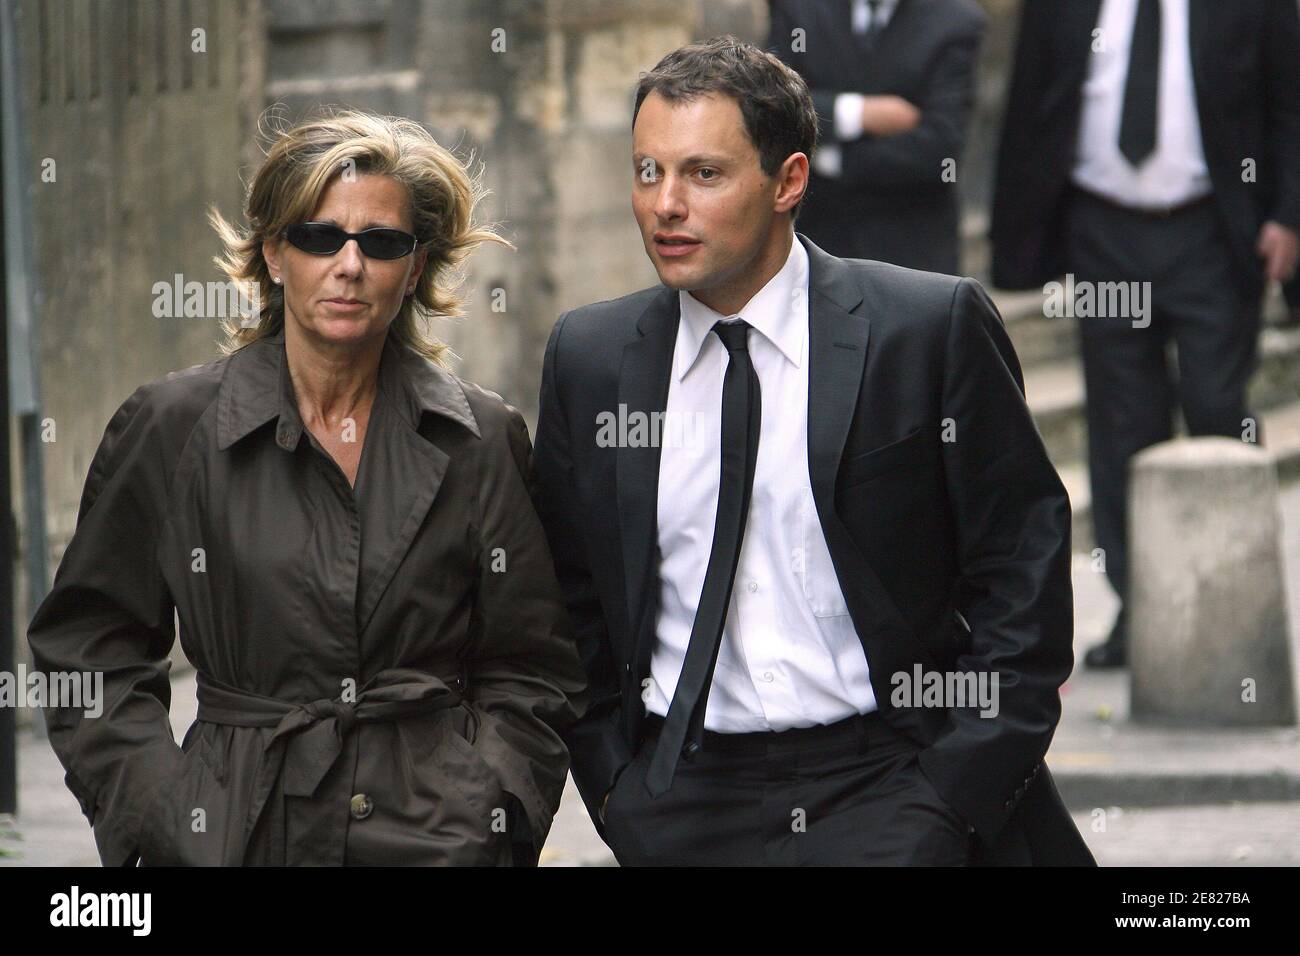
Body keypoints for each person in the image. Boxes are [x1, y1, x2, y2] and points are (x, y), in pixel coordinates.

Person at [533, 37, 1093, 865]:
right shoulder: (590, 356)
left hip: (890, 778)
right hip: (685, 798)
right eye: (649, 172)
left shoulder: (924, 328)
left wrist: (951, 796)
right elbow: (568, 599)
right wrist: (620, 790)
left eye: (704, 173)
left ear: (789, 180)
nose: (666, 205)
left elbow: (1023, 573)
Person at [27, 108, 586, 866]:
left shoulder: (478, 439)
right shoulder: (173, 427)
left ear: (415, 268)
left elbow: (532, 667)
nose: (349, 265)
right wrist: (163, 812)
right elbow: (89, 646)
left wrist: (489, 812)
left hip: (430, 837)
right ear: (274, 255)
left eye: (381, 243)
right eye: (319, 236)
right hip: (235, 833)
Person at [991, 0, 1300, 668]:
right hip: (1103, 230)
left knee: (1218, 408)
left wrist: (1288, 215)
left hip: (1214, 233)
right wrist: (1019, 239)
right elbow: (1031, 97)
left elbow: (1290, 102)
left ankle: (1224, 605)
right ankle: (1142, 610)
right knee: (1122, 423)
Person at [766, 0, 986, 274]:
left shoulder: (954, 19)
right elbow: (772, 104)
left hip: (911, 250)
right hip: (816, 244)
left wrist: (829, 158)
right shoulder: (799, 9)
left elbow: (939, 152)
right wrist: (856, 113)